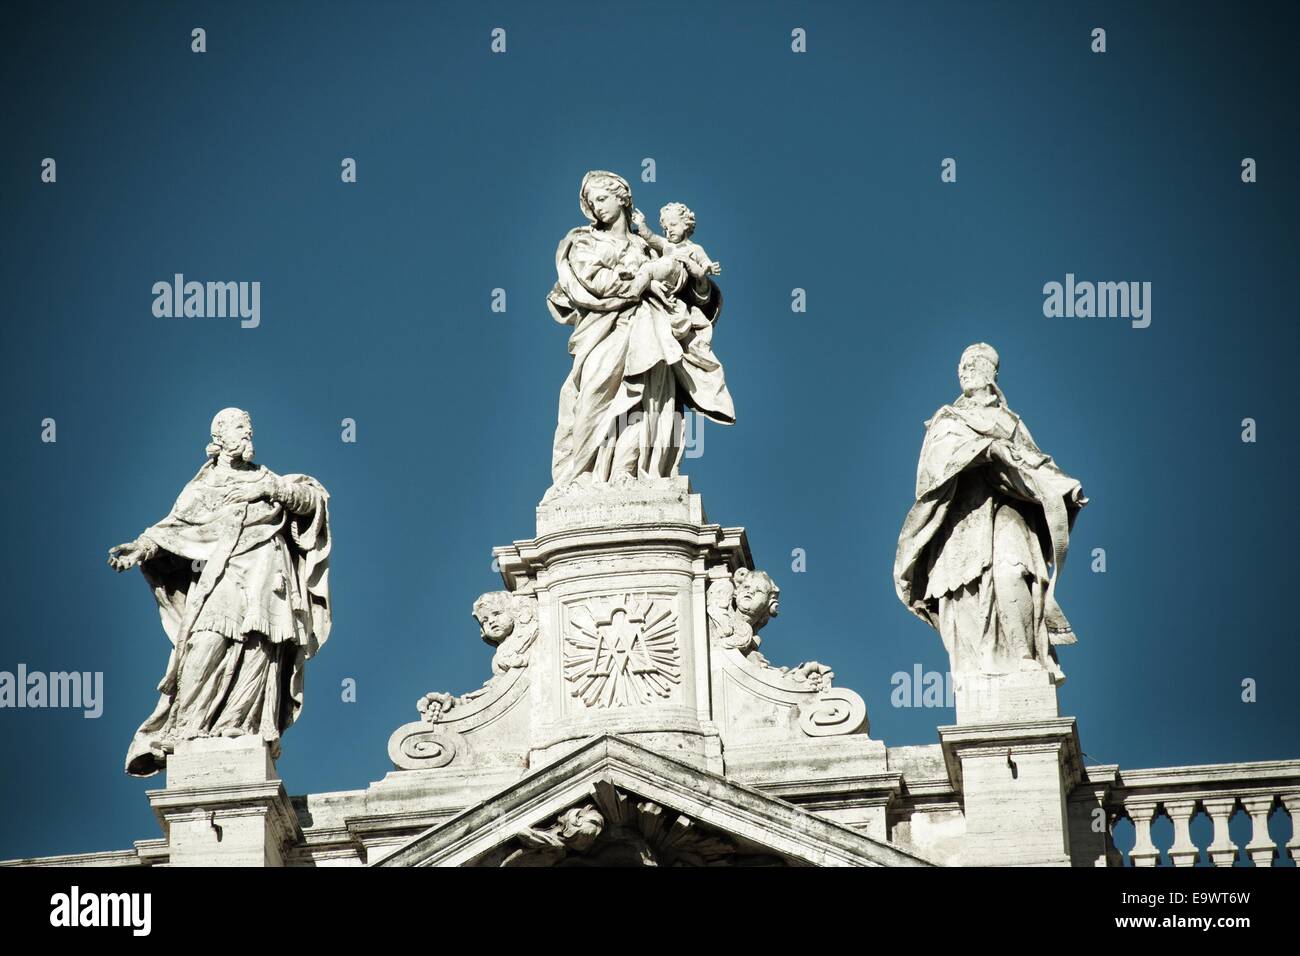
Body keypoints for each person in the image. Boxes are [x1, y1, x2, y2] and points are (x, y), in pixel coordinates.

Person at [107, 408, 332, 775]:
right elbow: (174, 529)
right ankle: (183, 729)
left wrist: (273, 488)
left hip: (268, 576)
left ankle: (240, 727)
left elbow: (312, 501)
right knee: (205, 641)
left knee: (260, 647)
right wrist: (140, 548)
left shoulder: (267, 479)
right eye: (241, 428)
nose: (248, 434)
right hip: (224, 576)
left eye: (249, 428)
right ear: (220, 436)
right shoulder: (204, 486)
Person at [894, 344, 1086, 682]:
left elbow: (1034, 461)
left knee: (1012, 572)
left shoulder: (1009, 421)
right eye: (962, 365)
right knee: (964, 592)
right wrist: (986, 450)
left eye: (974, 364)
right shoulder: (947, 419)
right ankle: (983, 672)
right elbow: (934, 469)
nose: (965, 370)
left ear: (990, 373)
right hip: (961, 522)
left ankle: (1025, 659)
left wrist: (1060, 486)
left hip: (1007, 512)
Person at [547, 170, 735, 488]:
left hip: (651, 330)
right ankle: (581, 475)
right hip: (602, 333)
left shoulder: (648, 247)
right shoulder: (582, 242)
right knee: (594, 398)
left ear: (622, 199)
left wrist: (694, 279)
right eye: (592, 202)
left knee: (644, 403)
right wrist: (643, 280)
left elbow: (690, 292)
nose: (597, 207)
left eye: (602, 198)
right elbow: (590, 284)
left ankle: (626, 470)